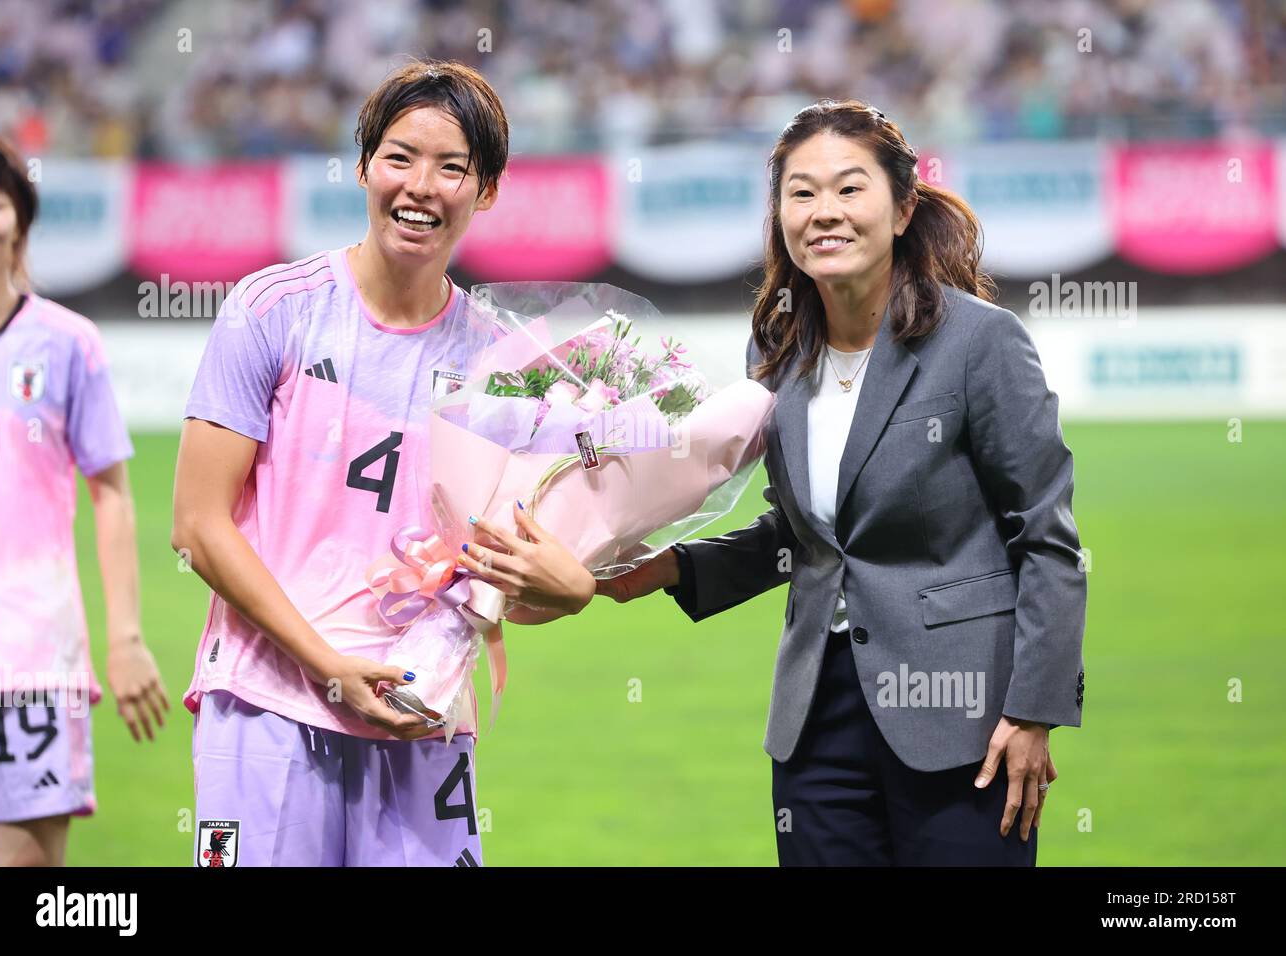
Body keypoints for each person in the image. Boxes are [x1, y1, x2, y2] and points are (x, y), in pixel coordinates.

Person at [598, 100, 1087, 866]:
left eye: (849, 189)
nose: (824, 212)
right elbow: (801, 539)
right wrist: (667, 568)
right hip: (815, 725)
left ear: (901, 209)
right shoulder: (783, 347)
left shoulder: (981, 343)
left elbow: (1049, 541)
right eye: (801, 193)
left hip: (962, 720)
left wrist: (1033, 713)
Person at [173, 60, 593, 868]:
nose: (421, 186)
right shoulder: (273, 311)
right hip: (268, 703)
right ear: (363, 165)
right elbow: (196, 526)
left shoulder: (501, 364)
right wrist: (328, 665)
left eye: (452, 167)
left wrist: (572, 590)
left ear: (489, 190)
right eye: (400, 157)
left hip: (419, 709)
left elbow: (502, 575)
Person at [0, 134, 168, 867]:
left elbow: (113, 497)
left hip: (30, 657)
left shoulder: (66, 344)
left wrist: (123, 639)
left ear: (19, 224)